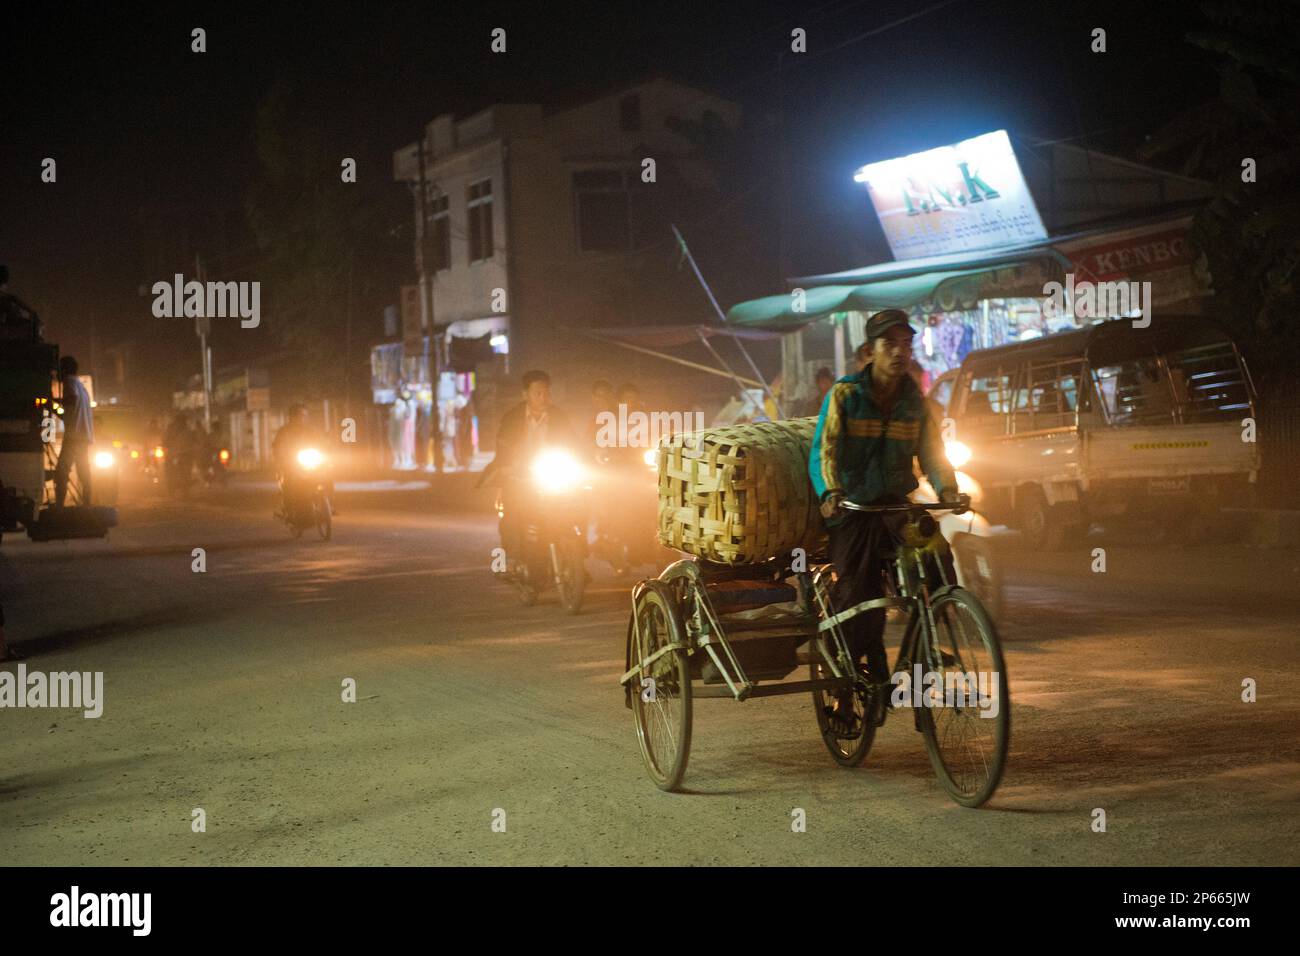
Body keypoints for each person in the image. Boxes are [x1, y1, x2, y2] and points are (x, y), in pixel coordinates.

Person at [810, 309, 959, 732]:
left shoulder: (915, 400)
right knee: (859, 601)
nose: (900, 353)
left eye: (906, 345)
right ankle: (843, 694)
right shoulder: (845, 394)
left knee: (936, 557)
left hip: (895, 506)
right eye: (889, 345)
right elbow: (824, 450)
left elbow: (932, 453)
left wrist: (948, 489)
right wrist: (831, 492)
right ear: (869, 351)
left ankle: (928, 641)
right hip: (852, 511)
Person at [478, 370, 577, 571]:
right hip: (519, 477)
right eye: (537, 393)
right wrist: (507, 467)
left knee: (574, 509)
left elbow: (573, 444)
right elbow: (503, 446)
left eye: (546, 392)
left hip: (552, 474)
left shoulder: (559, 417)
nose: (543, 397)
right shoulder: (512, 418)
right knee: (514, 514)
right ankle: (513, 559)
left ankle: (575, 561)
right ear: (526, 395)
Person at [53, 355, 94, 507]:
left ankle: (59, 507)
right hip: (84, 436)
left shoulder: (69, 382)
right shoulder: (81, 386)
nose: (57, 374)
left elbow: (70, 404)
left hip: (73, 436)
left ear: (64, 370)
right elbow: (71, 411)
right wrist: (56, 405)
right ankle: (87, 506)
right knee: (84, 472)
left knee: (61, 472)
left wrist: (51, 405)